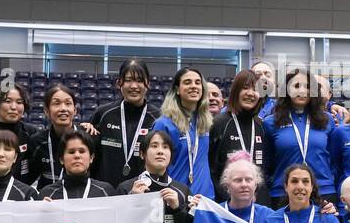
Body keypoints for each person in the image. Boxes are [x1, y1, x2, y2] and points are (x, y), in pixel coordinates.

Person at [265, 67, 336, 206]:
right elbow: (267, 163)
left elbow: (335, 160)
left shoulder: (327, 120)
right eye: (296, 86)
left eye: (308, 87)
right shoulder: (271, 122)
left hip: (323, 191)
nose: (302, 91)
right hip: (283, 193)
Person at [89, 58, 158, 186]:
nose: (134, 86)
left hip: (142, 195)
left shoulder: (157, 119)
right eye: (128, 80)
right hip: (105, 195)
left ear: (148, 83)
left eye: (139, 80)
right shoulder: (103, 114)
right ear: (119, 83)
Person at [208, 70, 270, 203]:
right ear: (236, 91)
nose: (250, 93)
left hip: (257, 205)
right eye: (245, 88)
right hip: (227, 205)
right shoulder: (219, 123)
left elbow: (265, 171)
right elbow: (211, 169)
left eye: (255, 89)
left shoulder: (261, 127)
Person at [153, 67, 214, 198]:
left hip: (204, 198)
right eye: (187, 82)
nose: (194, 86)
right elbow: (153, 166)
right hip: (175, 197)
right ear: (177, 90)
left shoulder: (206, 122)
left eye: (198, 83)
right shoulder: (164, 124)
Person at [29, 82, 96, 190]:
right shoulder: (37, 141)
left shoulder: (89, 136)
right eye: (57, 103)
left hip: (84, 201)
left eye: (68, 103)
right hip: (49, 201)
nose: (63, 108)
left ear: (75, 110)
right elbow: (27, 179)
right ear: (46, 111)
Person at [263, 163, 344, 223]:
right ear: (286, 187)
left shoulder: (328, 219)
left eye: (305, 181)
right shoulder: (271, 222)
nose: (300, 186)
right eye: (294, 181)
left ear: (312, 187)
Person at [205, 151, 274, 223]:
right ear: (227, 185)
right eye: (238, 180)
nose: (244, 184)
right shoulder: (214, 214)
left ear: (255, 184)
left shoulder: (268, 216)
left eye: (248, 179)